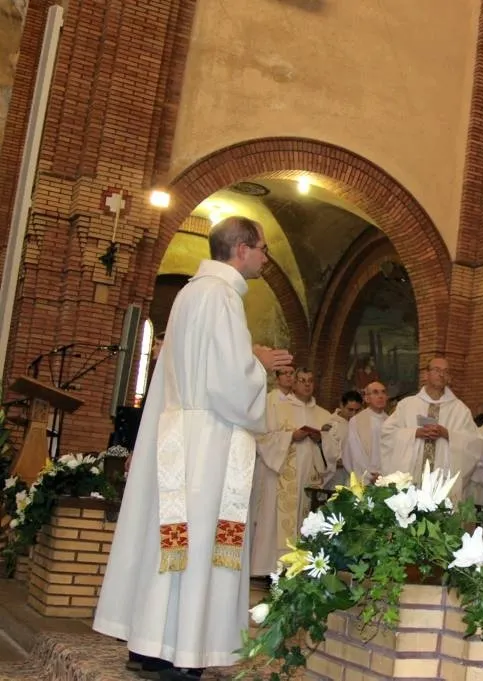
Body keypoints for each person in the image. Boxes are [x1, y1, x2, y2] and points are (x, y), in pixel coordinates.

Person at [93, 216, 292, 680]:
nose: (265, 258)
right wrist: (259, 364)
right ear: (241, 249)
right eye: (262, 249)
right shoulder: (222, 297)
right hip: (209, 445)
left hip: (177, 437)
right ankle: (185, 651)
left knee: (170, 542)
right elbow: (229, 383)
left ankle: (151, 643)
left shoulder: (188, 294)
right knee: (198, 544)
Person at [249, 368, 339, 577]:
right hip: (282, 477)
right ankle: (273, 569)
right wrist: (291, 436)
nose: (307, 384)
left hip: (310, 478)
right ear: (294, 383)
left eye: (310, 381)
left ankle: (303, 567)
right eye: (302, 380)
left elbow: (335, 449)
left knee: (305, 520)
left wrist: (321, 439)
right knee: (277, 522)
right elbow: (263, 438)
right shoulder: (277, 408)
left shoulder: (324, 414)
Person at [379, 357, 482, 494]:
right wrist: (415, 433)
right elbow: (387, 433)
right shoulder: (407, 405)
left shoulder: (460, 410)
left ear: (449, 377)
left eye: (446, 371)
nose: (441, 374)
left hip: (442, 481)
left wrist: (447, 434)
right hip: (411, 479)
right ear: (426, 374)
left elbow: (474, 443)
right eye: (437, 370)